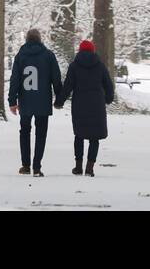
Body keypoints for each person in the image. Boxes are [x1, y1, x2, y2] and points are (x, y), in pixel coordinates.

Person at [8, 28, 63, 177]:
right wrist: (59, 98)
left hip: (25, 100)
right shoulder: (48, 56)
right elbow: (56, 79)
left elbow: (15, 80)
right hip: (43, 101)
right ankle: (37, 167)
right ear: (40, 40)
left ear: (27, 39)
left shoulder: (20, 56)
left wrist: (12, 101)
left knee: (24, 131)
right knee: (41, 133)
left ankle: (25, 165)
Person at [57, 38, 114, 177]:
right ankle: (89, 168)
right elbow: (108, 85)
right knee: (94, 138)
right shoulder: (100, 66)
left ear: (80, 51)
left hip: (79, 105)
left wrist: (59, 101)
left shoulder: (74, 66)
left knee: (79, 135)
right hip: (97, 105)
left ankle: (78, 167)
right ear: (93, 51)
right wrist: (108, 99)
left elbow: (67, 86)